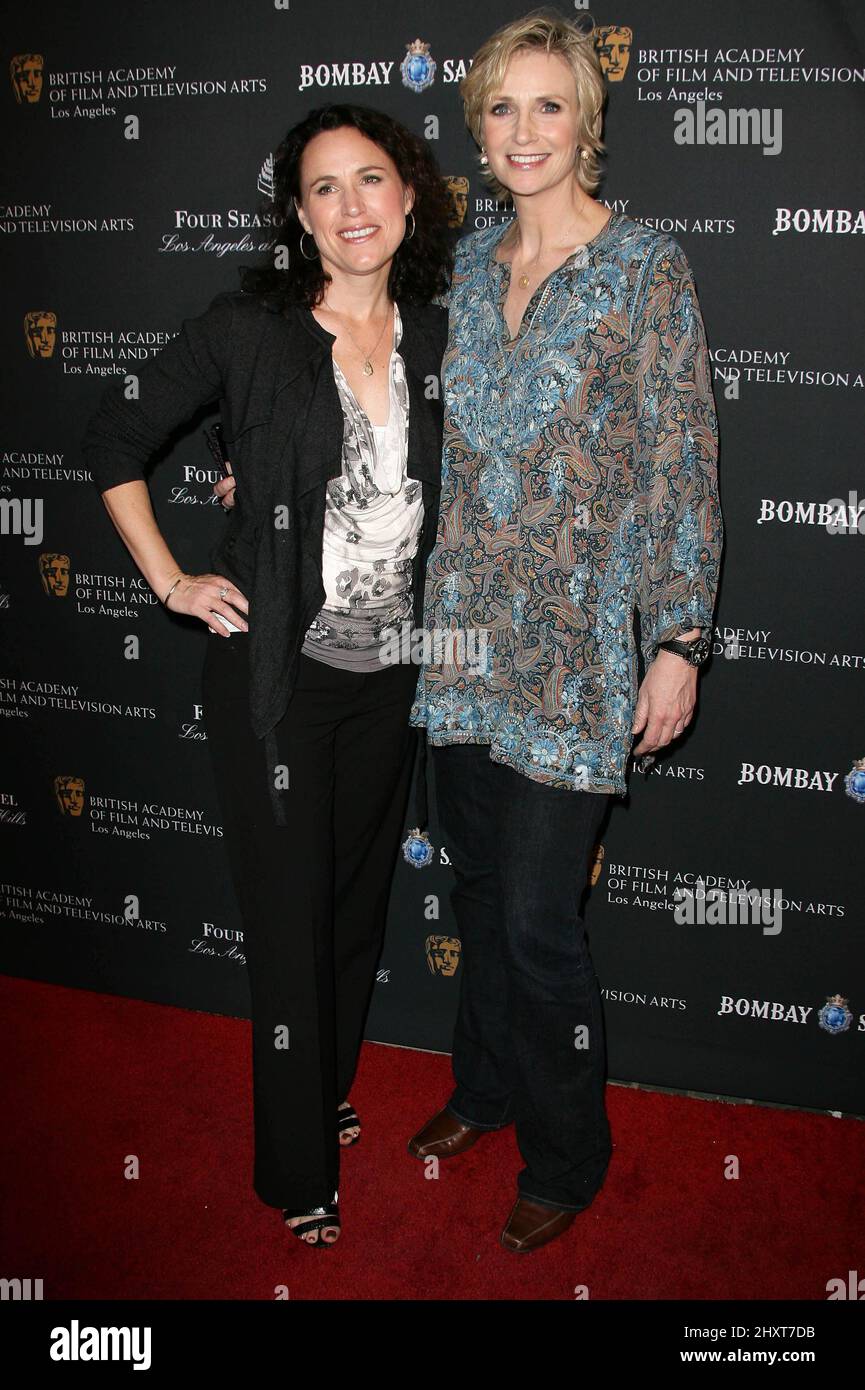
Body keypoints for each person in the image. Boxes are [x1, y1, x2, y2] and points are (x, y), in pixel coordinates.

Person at [82, 103, 452, 1247]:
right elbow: (112, 439)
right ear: (298, 212)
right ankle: (295, 1173)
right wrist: (171, 580)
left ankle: (323, 1089)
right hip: (274, 687)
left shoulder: (442, 337)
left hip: (392, 675)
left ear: (407, 199)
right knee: (289, 925)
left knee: (352, 910)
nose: (352, 206)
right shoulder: (250, 329)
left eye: (372, 180)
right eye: (325, 187)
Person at [403, 8, 724, 1253]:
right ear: (476, 130)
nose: (524, 130)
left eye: (549, 105)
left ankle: (568, 1153)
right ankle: (481, 1090)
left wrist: (678, 638)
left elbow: (680, 462)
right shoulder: (468, 266)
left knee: (540, 921)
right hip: (460, 638)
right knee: (477, 895)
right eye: (501, 106)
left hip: (579, 647)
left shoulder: (647, 268)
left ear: (586, 125)